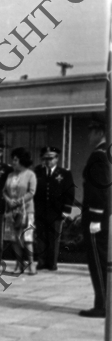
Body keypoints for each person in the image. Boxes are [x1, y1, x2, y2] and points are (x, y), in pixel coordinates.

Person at [79, 116, 110, 318]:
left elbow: (100, 189)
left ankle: (102, 306)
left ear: (99, 132)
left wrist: (96, 218)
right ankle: (104, 303)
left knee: (98, 262)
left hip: (96, 217)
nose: (88, 134)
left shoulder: (99, 155)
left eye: (91, 131)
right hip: (102, 216)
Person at [33, 146, 75, 271]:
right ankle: (41, 262)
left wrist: (66, 211)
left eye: (51, 158)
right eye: (45, 158)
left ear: (57, 159)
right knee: (40, 237)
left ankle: (52, 263)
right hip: (40, 210)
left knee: (53, 238)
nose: (48, 161)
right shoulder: (37, 171)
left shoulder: (64, 173)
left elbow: (70, 192)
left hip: (56, 211)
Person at [3, 147, 37, 276]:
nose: (13, 162)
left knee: (27, 239)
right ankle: (19, 263)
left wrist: (18, 201)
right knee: (14, 239)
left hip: (26, 211)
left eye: (16, 160)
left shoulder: (30, 174)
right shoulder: (10, 175)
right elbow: (4, 191)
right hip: (11, 212)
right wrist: (8, 200)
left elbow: (32, 192)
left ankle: (31, 264)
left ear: (22, 161)